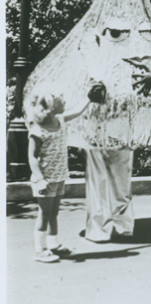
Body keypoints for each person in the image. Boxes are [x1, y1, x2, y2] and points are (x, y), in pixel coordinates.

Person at [26, 83, 101, 262]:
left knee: (54, 212)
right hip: (45, 179)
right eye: (61, 100)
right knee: (44, 214)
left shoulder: (59, 120)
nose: (64, 101)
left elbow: (76, 112)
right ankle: (40, 249)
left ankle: (53, 244)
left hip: (59, 176)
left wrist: (89, 99)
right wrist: (40, 179)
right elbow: (32, 158)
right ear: (51, 106)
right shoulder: (37, 130)